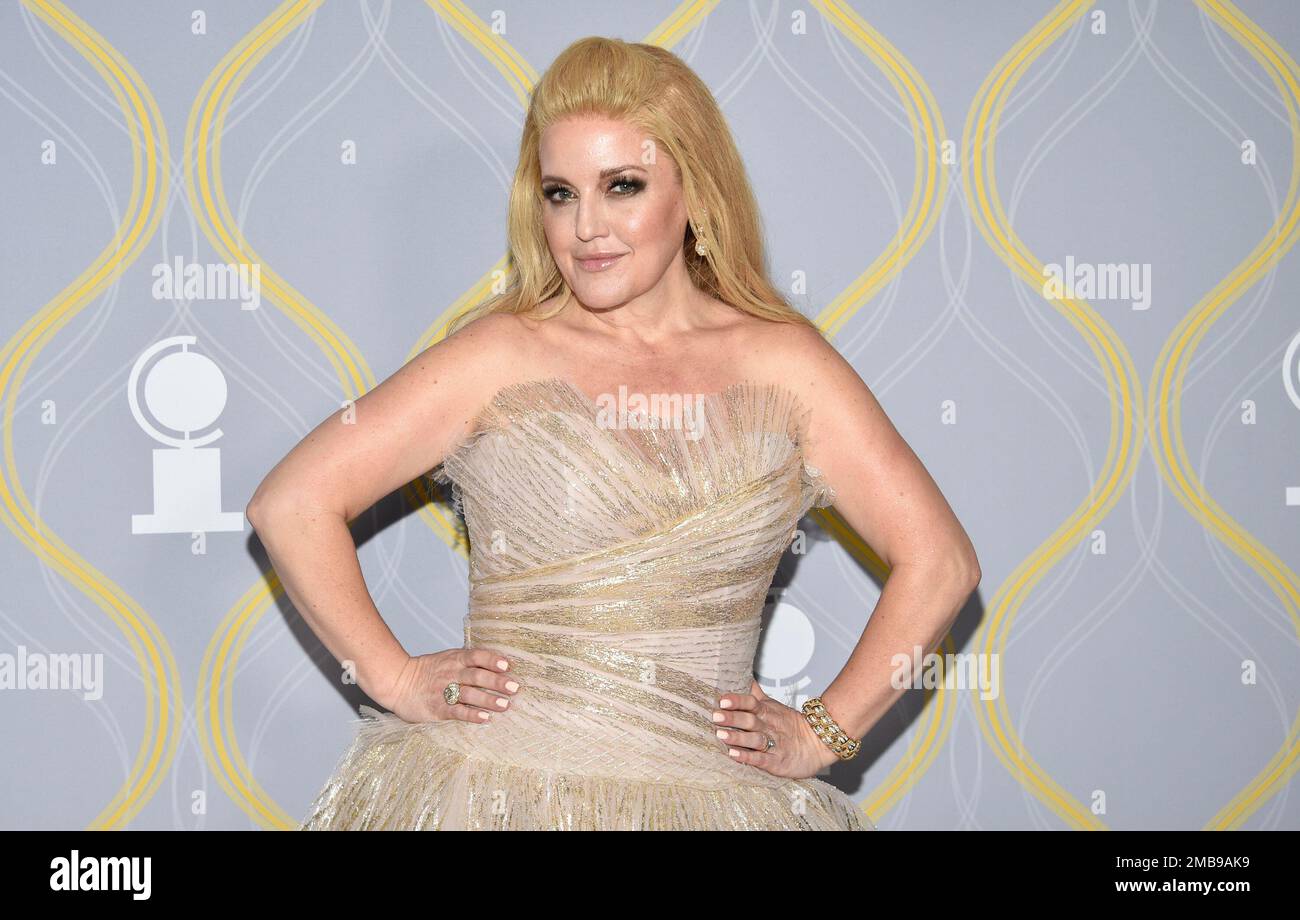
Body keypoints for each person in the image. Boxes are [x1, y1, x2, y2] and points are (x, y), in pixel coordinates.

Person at [246, 36, 980, 830]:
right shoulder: (500, 355)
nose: (586, 227)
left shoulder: (785, 366)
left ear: (695, 192)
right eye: (560, 194)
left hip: (713, 803)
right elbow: (290, 505)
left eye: (622, 186)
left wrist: (822, 733)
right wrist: (393, 679)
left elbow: (940, 563)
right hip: (494, 797)